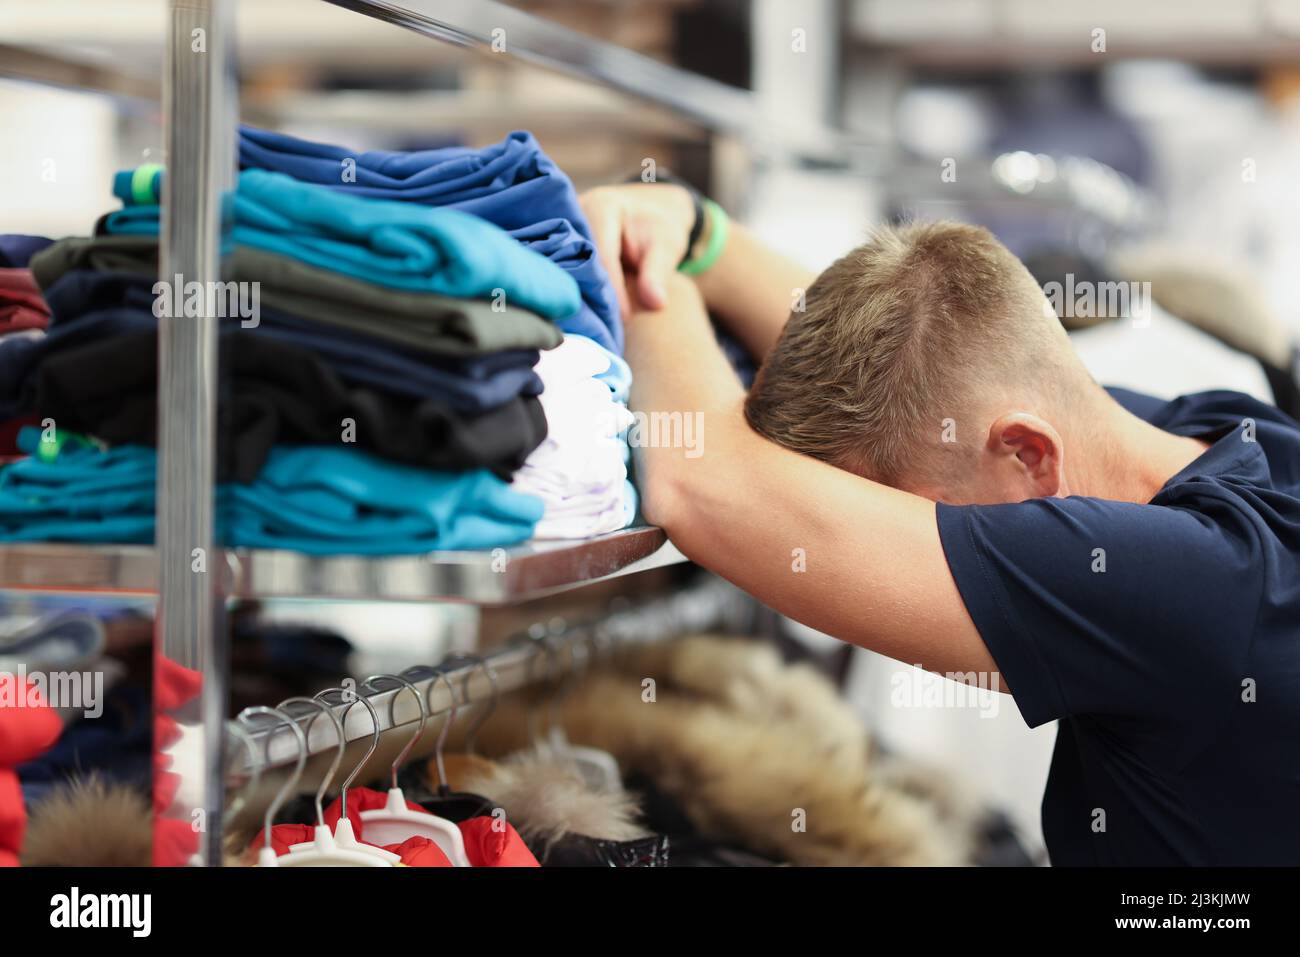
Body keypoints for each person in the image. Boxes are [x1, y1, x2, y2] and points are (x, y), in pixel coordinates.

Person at [579, 181, 1300, 866]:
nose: (886, 538)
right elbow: (909, 359)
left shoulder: (1177, 581)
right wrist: (696, 233)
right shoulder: (1236, 440)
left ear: (1027, 452)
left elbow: (699, 484)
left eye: (907, 516)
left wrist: (641, 269)